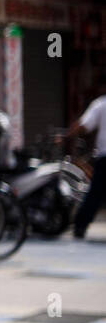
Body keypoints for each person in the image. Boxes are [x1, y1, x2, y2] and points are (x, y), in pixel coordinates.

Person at [66, 85, 106, 240]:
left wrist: (67, 136)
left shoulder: (101, 104)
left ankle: (80, 226)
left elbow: (84, 125)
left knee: (95, 194)